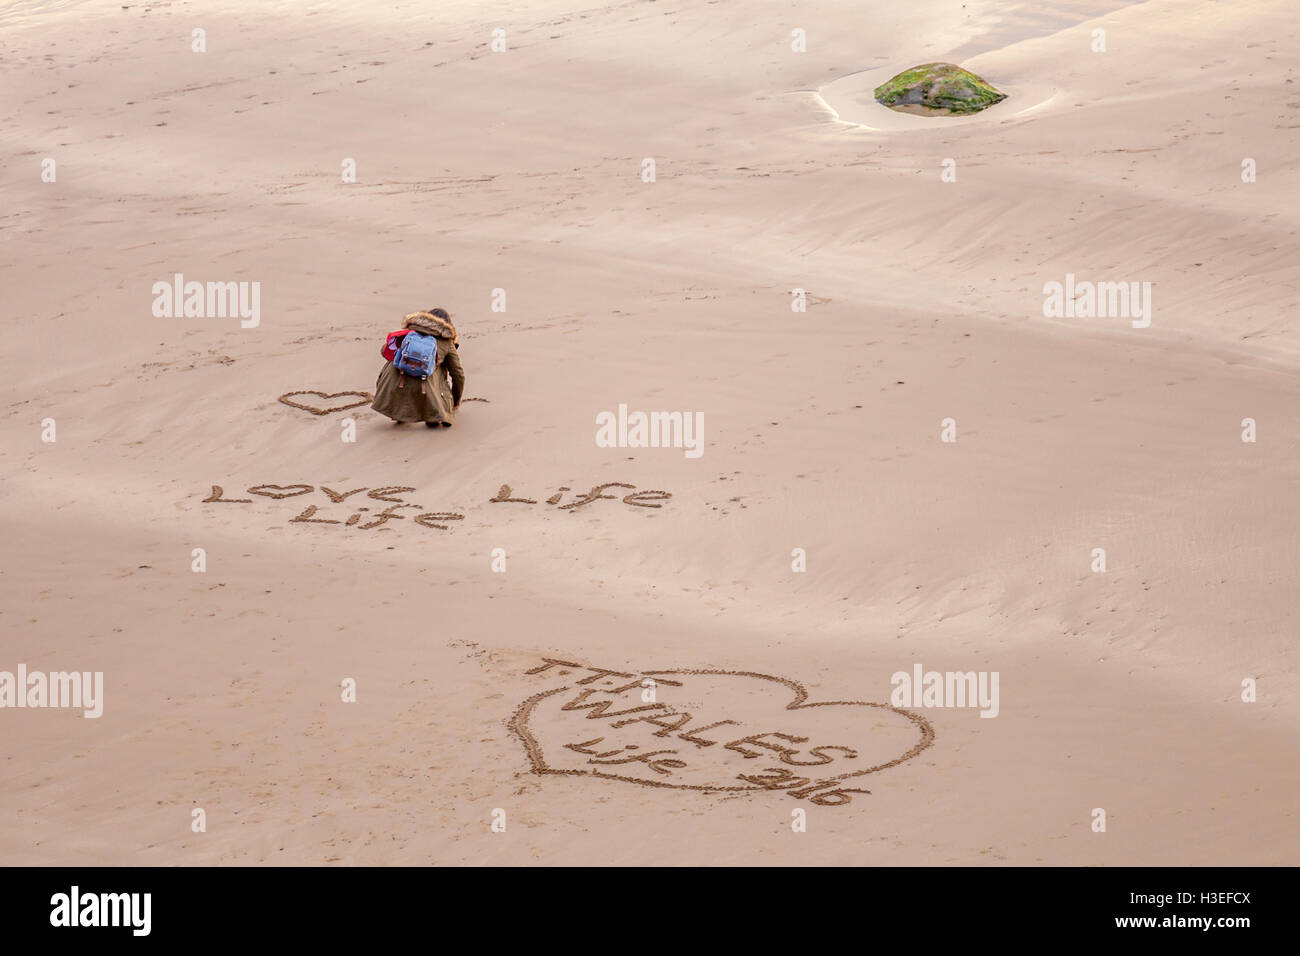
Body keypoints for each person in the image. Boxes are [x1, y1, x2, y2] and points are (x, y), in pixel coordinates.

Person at [371, 308, 465, 428]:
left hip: (394, 385)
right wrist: (455, 401)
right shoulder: (446, 342)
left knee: (395, 363)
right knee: (439, 368)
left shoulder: (408, 332)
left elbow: (385, 351)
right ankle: (435, 414)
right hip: (425, 389)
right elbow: (458, 375)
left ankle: (396, 411)